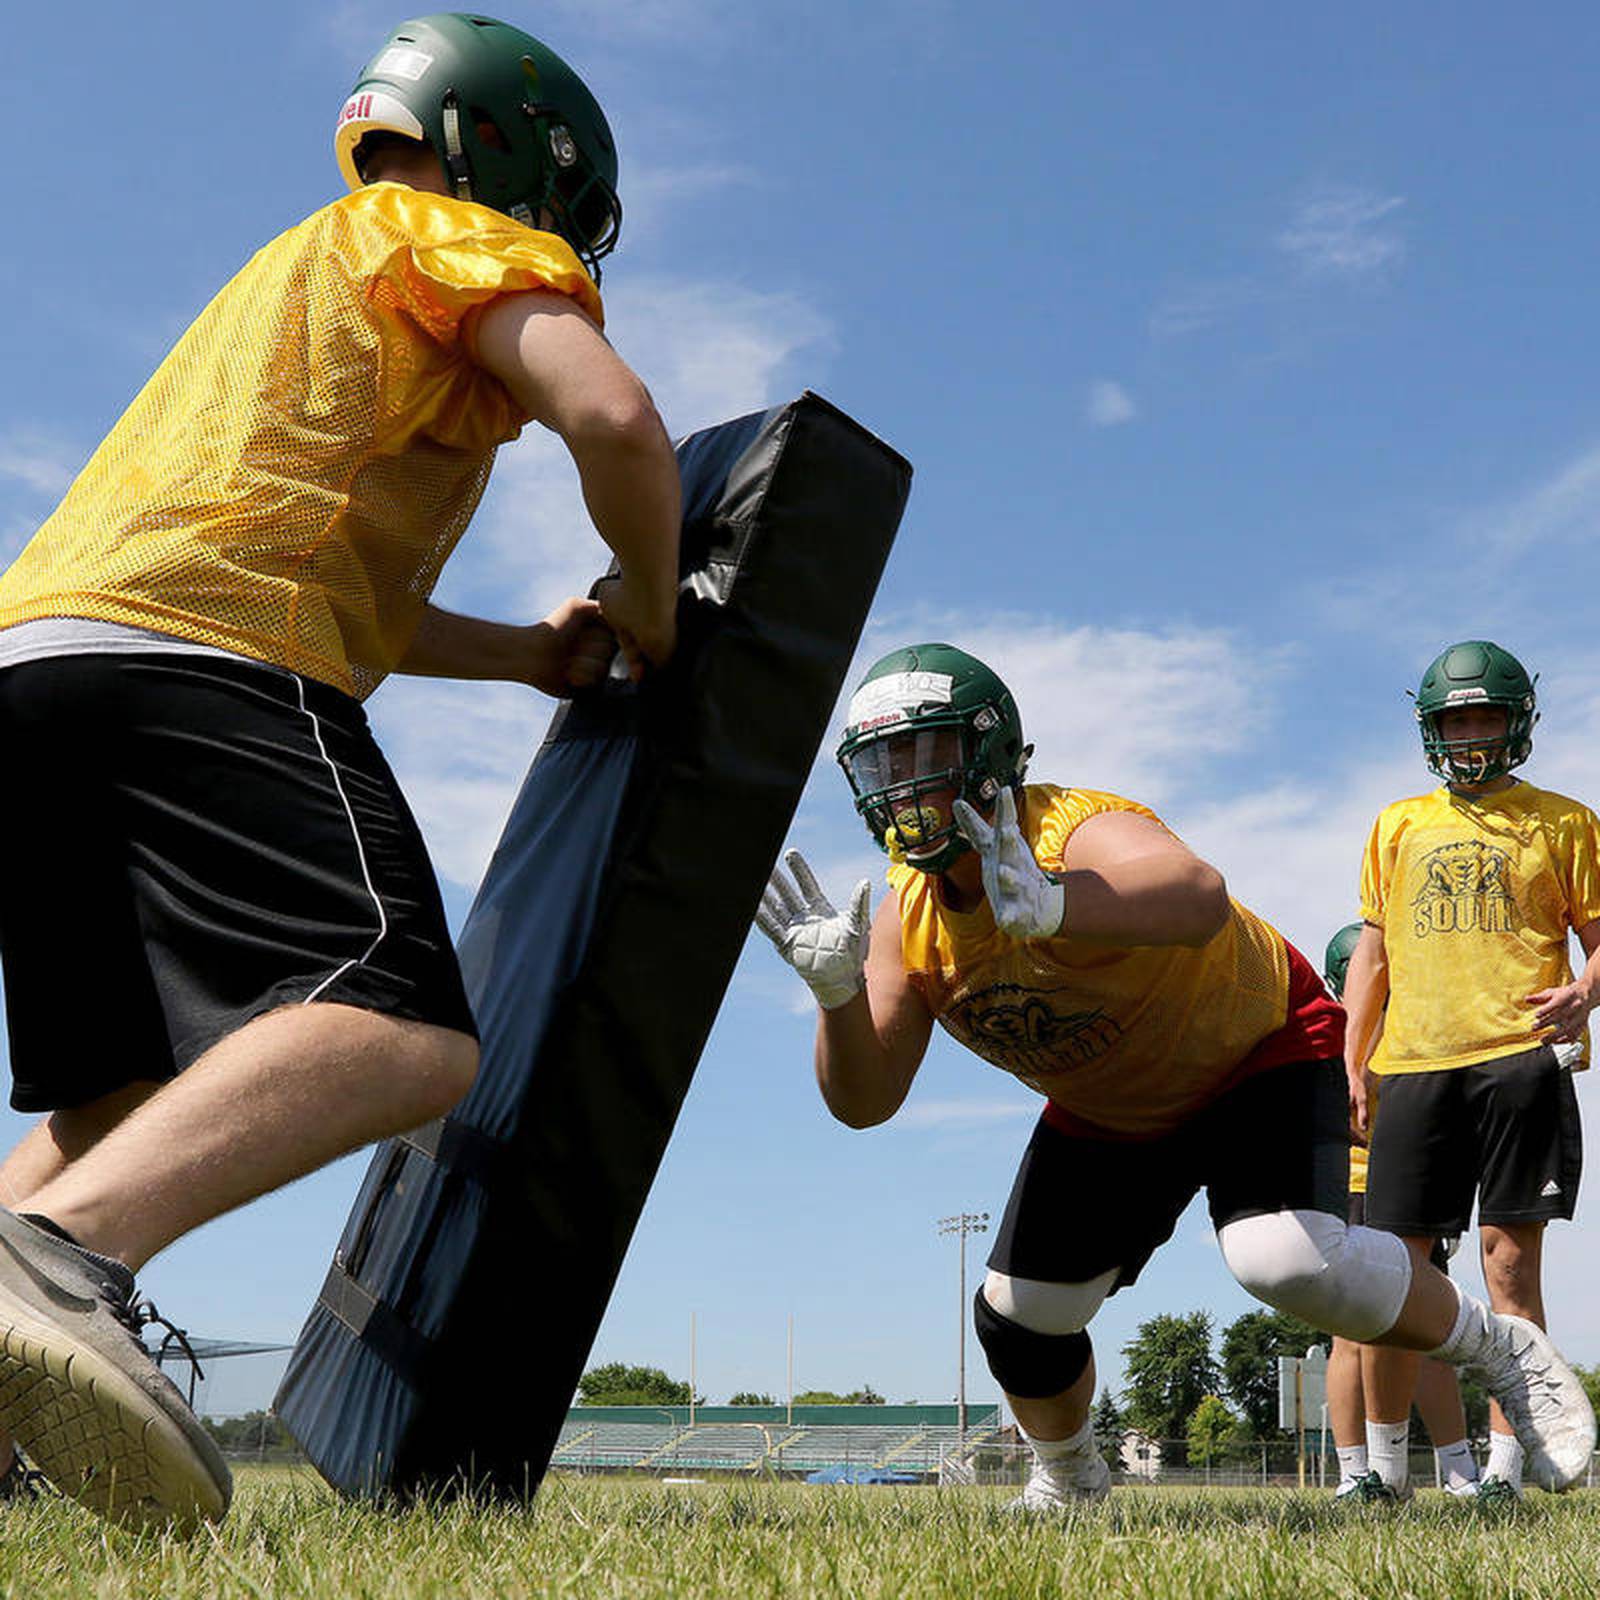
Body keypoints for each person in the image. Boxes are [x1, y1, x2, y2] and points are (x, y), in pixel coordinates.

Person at [0, 12, 680, 1529]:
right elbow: (619, 420)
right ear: (519, 158)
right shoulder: (447, 235)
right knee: (395, 1033)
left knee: (124, 1092)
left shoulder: (295, 273)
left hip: (38, 662)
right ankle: (58, 1259)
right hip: (209, 650)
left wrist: (527, 653)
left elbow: (349, 579)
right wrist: (646, 595)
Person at [757, 642, 1595, 1511]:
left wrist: (1057, 903)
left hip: (1253, 1049)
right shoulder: (909, 919)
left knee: (1285, 1261)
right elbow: (865, 1101)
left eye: (928, 756)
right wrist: (836, 995)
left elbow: (1198, 894)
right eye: (885, 764)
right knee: (1020, 1311)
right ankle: (1070, 1475)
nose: (905, 785)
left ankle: (1501, 1349)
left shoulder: (1070, 827)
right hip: (1113, 1108)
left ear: (990, 756)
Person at [1345, 641, 1600, 1505]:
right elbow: (1371, 956)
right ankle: (1380, 1473)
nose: (1471, 735)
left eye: (1485, 715)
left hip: (1519, 1061)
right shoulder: (1397, 822)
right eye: (1456, 720)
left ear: (1518, 721)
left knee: (1507, 1268)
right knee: (1391, 1271)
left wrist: (1587, 993)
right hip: (1412, 1066)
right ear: (1431, 730)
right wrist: (1353, 1059)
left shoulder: (1566, 821)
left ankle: (1502, 1469)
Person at [1320, 924, 1479, 1502]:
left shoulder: (1331, 1029)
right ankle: (1445, 1469)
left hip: (1367, 1189)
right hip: (1372, 1186)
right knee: (1404, 1330)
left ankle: (1363, 1470)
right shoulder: (1378, 1030)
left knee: (1381, 1334)